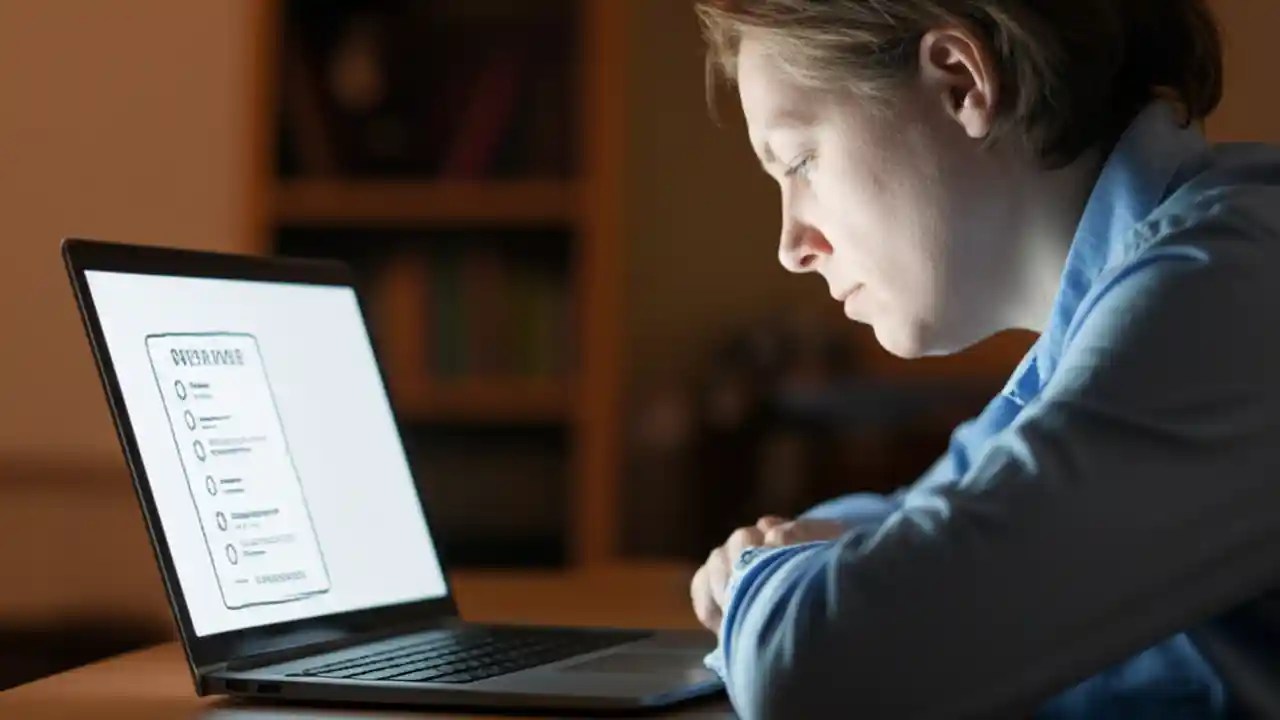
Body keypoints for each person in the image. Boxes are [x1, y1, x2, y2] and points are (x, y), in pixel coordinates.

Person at [687, 1, 1280, 717]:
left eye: (803, 160)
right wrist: (814, 549)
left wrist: (761, 571)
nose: (791, 244)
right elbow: (941, 512)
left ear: (960, 83)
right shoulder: (1109, 316)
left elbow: (817, 669)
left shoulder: (1217, 291)